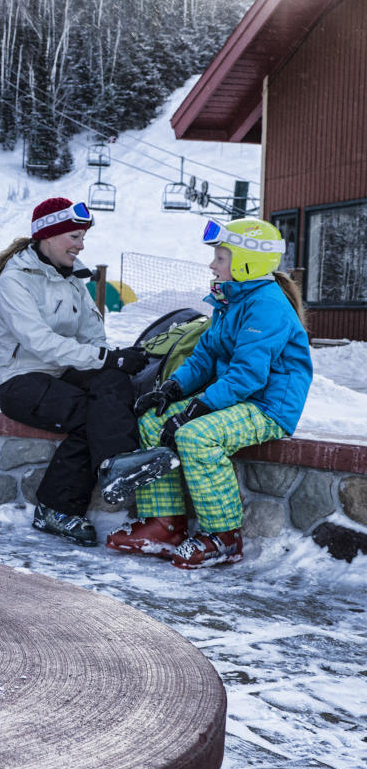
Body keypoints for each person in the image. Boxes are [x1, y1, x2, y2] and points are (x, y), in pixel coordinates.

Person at [104, 218, 312, 569]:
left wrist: (196, 409)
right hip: (237, 397)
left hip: (268, 405)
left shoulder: (267, 306)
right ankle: (164, 525)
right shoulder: (228, 301)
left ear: (247, 261)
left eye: (220, 257)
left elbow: (248, 375)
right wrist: (171, 390)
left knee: (196, 437)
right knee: (153, 423)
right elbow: (204, 357)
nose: (212, 265)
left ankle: (224, 537)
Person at [0, 197, 163, 547]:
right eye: (75, 237)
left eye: (82, 238)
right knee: (89, 415)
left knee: (113, 381)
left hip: (63, 371)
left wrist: (115, 360)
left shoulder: (72, 279)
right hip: (19, 379)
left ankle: (119, 463)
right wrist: (104, 358)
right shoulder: (15, 280)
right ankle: (55, 508)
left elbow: (92, 335)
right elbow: (39, 342)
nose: (81, 245)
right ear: (48, 236)